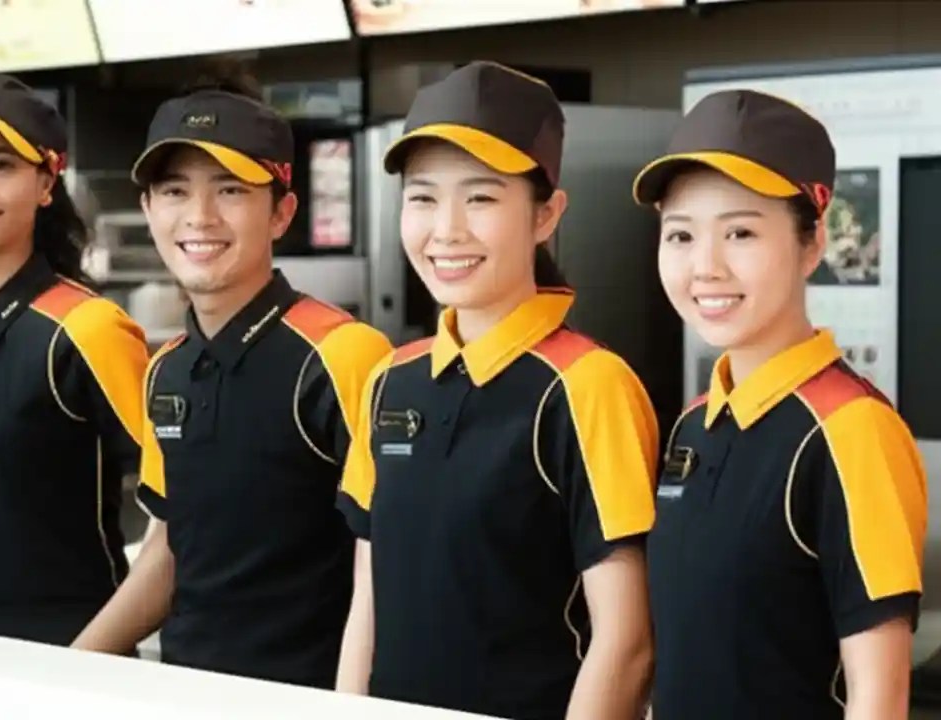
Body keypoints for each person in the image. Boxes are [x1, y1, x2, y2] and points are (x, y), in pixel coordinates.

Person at [335, 61, 657, 720]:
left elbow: (626, 642)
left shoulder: (589, 386)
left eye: (480, 197)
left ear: (546, 215)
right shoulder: (388, 381)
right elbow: (368, 594)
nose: (446, 229)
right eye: (423, 197)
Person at [72, 69, 392, 690]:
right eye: (173, 191)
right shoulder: (166, 371)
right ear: (147, 207)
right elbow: (167, 554)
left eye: (230, 190)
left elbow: (383, 574)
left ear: (282, 212)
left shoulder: (345, 355)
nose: (200, 217)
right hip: (184, 694)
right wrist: (59, 672)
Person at [633, 89, 926, 720]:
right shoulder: (693, 424)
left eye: (739, 231)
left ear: (812, 241)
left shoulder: (853, 431)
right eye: (680, 235)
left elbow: (879, 696)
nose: (704, 267)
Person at [0, 75, 149, 645]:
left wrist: (83, 659)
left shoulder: (89, 328)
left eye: (0, 165)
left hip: (79, 654)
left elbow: (185, 510)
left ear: (46, 183)